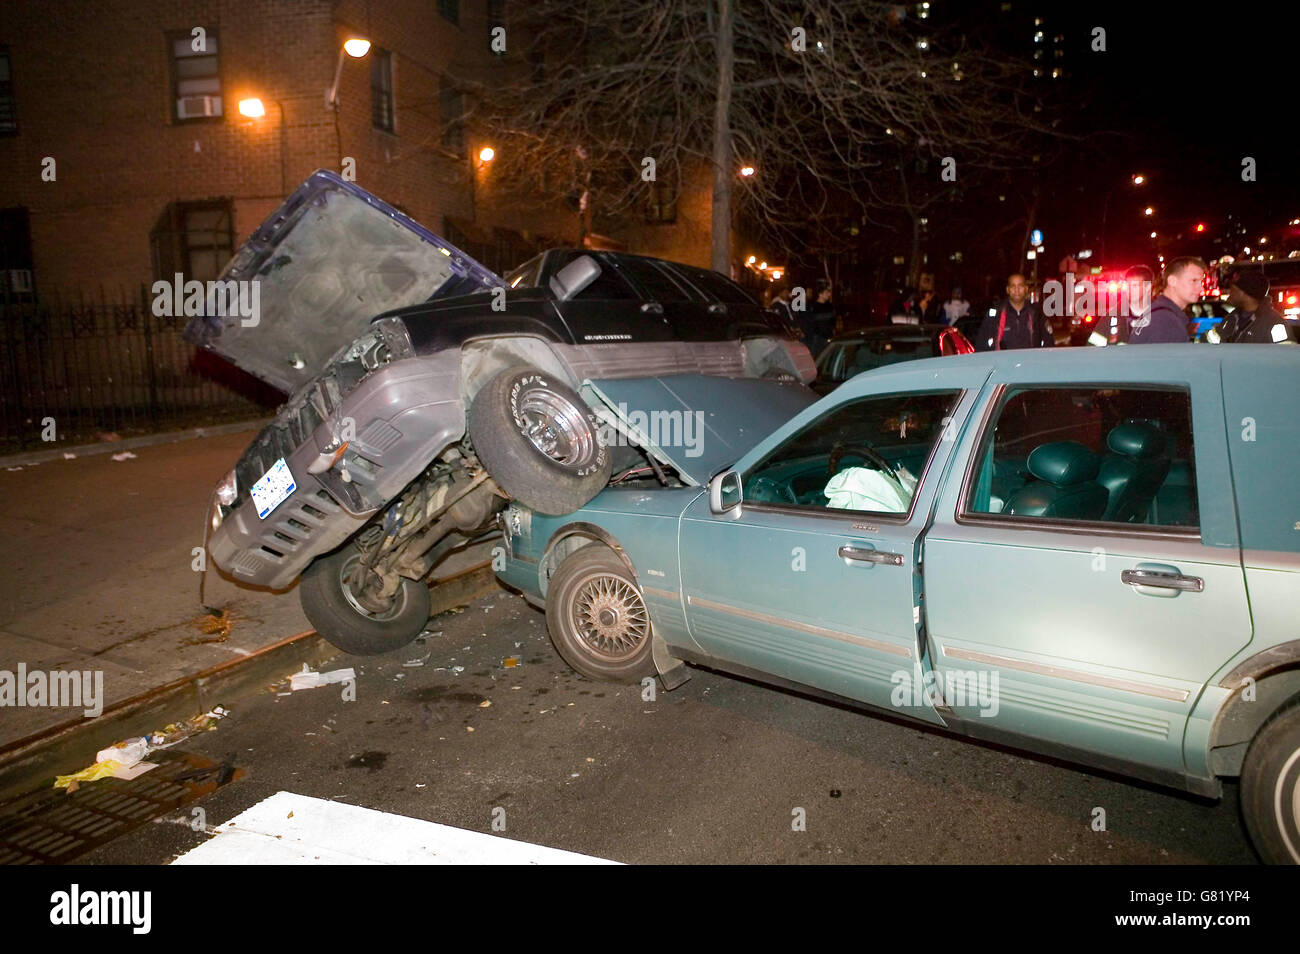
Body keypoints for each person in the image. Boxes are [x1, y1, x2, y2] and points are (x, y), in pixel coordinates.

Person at [1129, 256, 1205, 344]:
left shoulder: (1157, 314)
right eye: (1194, 281)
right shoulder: (1166, 323)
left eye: (1201, 282)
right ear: (1172, 281)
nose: (1201, 288)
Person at [1216, 266, 1300, 344]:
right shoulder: (1231, 319)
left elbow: (1286, 356)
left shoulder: (1274, 324)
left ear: (1244, 293)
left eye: (1233, 290)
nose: (1229, 293)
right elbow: (1211, 346)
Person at [974, 274, 1053, 351]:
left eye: (1020, 286)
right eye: (1013, 286)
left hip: (1030, 363)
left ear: (1026, 289)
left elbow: (1048, 344)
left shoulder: (1037, 314)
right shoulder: (995, 315)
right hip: (1002, 363)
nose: (1017, 290)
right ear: (1007, 290)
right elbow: (981, 346)